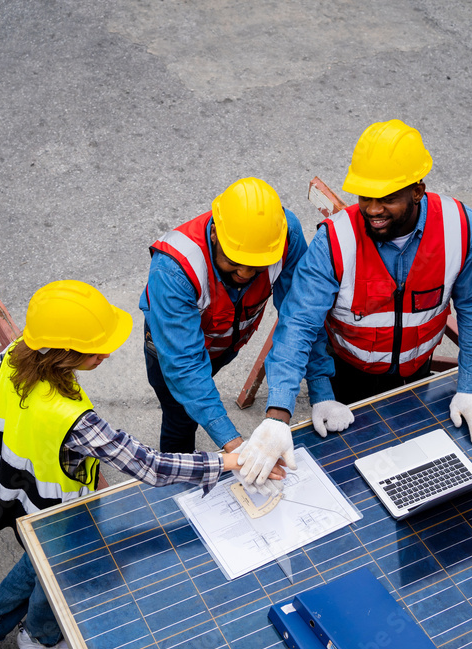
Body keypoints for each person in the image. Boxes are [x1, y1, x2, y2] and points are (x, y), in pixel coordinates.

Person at [0, 280, 283, 649]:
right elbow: (151, 466)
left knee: (42, 557)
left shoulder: (15, 353)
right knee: (59, 566)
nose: (106, 354)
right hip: (59, 507)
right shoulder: (75, 422)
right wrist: (229, 461)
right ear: (62, 352)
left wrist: (30, 425)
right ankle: (27, 631)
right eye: (95, 350)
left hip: (15, 487)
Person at [241, 120, 472, 486]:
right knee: (354, 480)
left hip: (417, 373)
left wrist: (470, 387)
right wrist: (281, 412)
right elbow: (298, 325)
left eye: (387, 198)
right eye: (365, 197)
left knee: (412, 473)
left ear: (417, 191)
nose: (373, 209)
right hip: (348, 377)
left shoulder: (460, 229)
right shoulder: (335, 242)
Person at [139, 176, 331, 472]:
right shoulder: (172, 270)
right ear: (215, 233)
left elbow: (301, 318)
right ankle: (178, 479)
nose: (245, 273)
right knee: (180, 417)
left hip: (225, 344)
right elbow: (185, 366)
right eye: (234, 261)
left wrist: (319, 389)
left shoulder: (282, 236)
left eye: (256, 265)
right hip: (173, 349)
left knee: (199, 398)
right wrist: (235, 446)